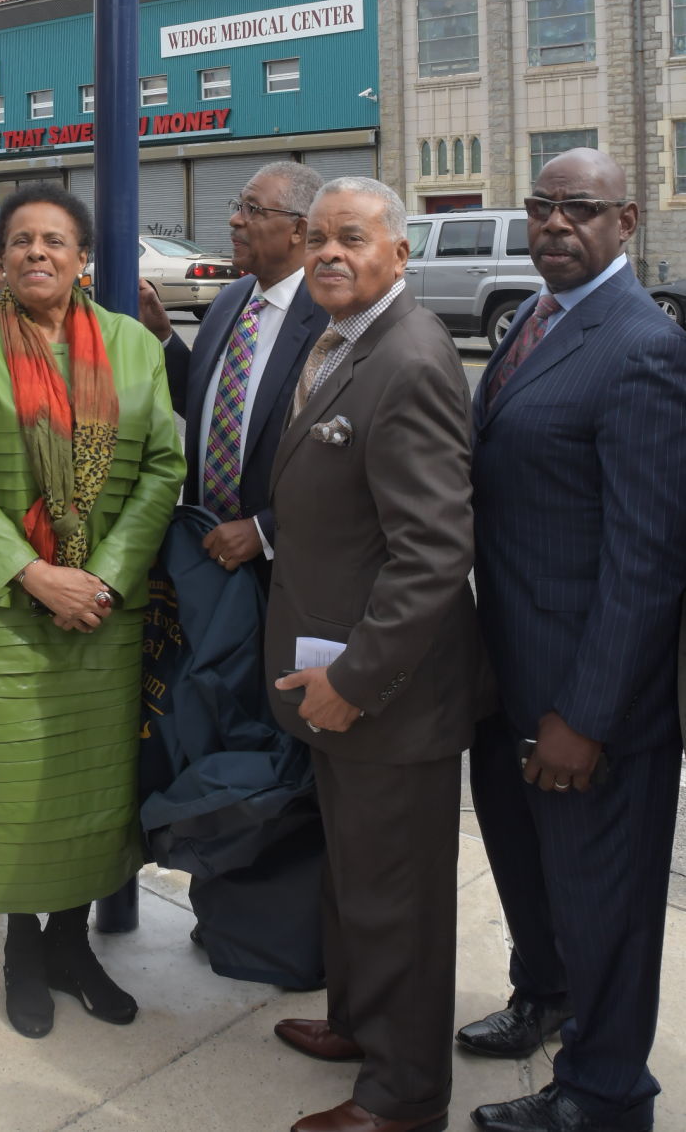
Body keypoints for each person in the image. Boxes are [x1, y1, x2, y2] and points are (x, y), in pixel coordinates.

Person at [0, 180, 185, 1037]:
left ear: (82, 258)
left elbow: (162, 471)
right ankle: (21, 953)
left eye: (54, 241)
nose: (37, 253)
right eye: (22, 239)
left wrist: (99, 577)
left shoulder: (133, 346)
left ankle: (73, 945)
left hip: (104, 612)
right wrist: (36, 575)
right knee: (8, 785)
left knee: (91, 791)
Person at [461, 150, 686, 1132]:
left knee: (603, 901)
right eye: (539, 207)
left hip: (585, 702)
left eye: (578, 209)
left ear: (625, 220)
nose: (553, 224)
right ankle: (542, 996)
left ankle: (603, 1092)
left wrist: (583, 715)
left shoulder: (640, 346)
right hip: (505, 674)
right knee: (526, 872)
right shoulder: (526, 321)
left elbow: (646, 557)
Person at [267, 176, 485, 1132]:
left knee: (397, 899)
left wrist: (355, 681)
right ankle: (359, 1024)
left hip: (384, 695)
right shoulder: (344, 341)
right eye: (315, 236)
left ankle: (402, 1099)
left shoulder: (410, 358)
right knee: (355, 876)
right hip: (334, 678)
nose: (326, 253)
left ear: (399, 253)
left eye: (350, 237)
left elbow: (434, 553)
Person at [139, 160, 325, 580]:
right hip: (207, 550)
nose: (234, 219)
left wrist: (264, 531)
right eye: (238, 205)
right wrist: (165, 339)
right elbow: (213, 409)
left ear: (299, 229)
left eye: (253, 210)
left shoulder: (329, 316)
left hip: (287, 568)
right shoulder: (229, 300)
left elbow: (341, 463)